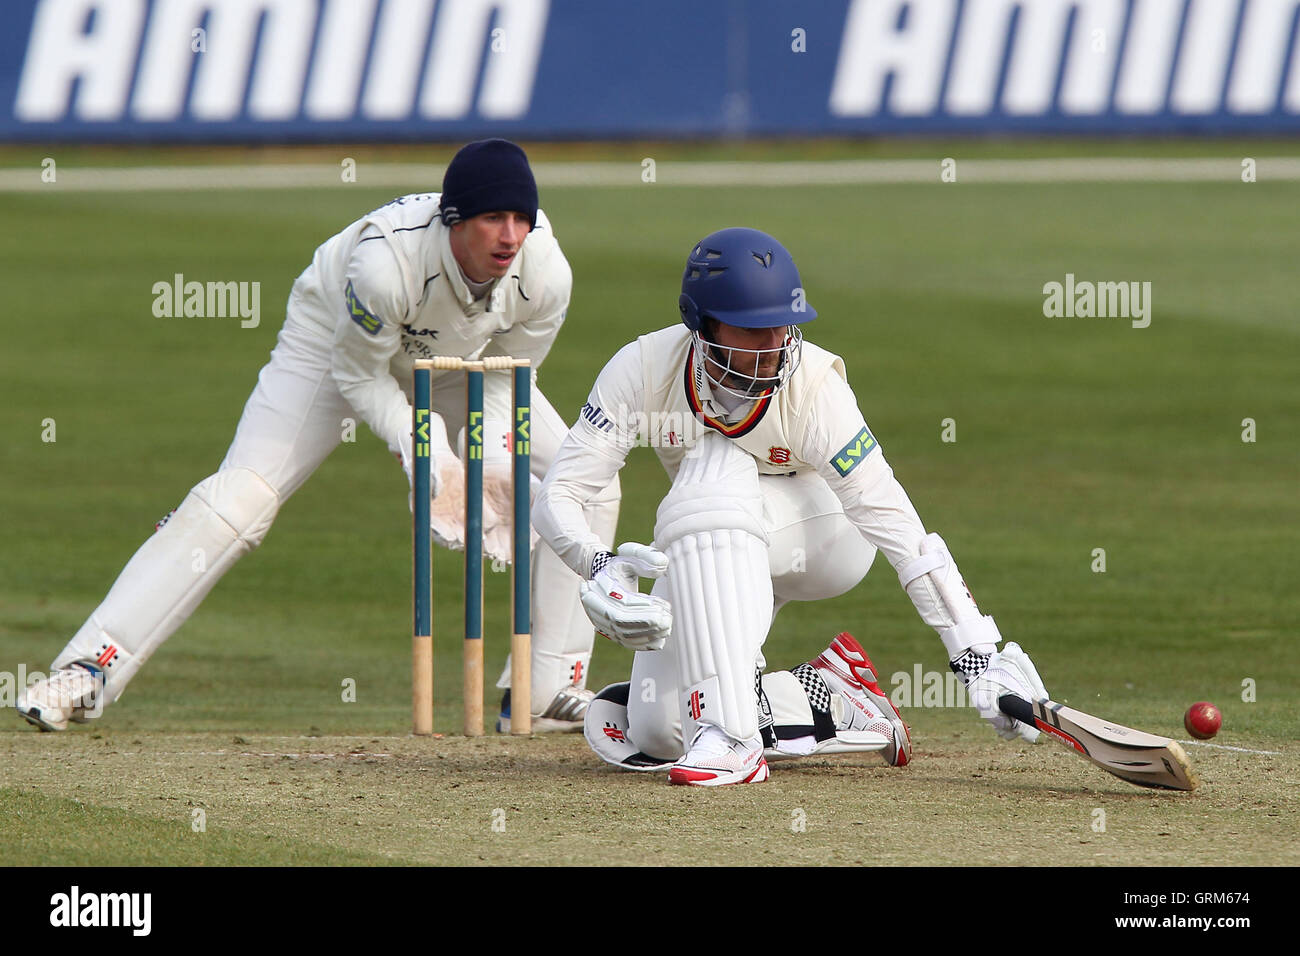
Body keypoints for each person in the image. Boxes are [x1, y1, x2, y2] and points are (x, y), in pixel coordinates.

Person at [18, 139, 620, 734]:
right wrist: (425, 447)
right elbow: (360, 376)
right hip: (334, 349)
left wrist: (483, 461)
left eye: (521, 218)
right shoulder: (386, 266)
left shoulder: (544, 273)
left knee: (590, 482)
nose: (510, 236)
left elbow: (507, 376)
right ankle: (86, 668)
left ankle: (542, 692)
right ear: (454, 219)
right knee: (240, 499)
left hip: (461, 363)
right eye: (493, 218)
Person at [532, 226, 1049, 786]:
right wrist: (598, 564)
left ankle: (732, 740)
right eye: (753, 329)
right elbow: (559, 494)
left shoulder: (813, 386)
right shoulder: (643, 369)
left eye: (782, 324)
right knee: (658, 729)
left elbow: (892, 517)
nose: (773, 343)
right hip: (713, 544)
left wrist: (976, 656)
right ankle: (836, 695)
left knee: (713, 471)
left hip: (825, 538)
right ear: (702, 325)